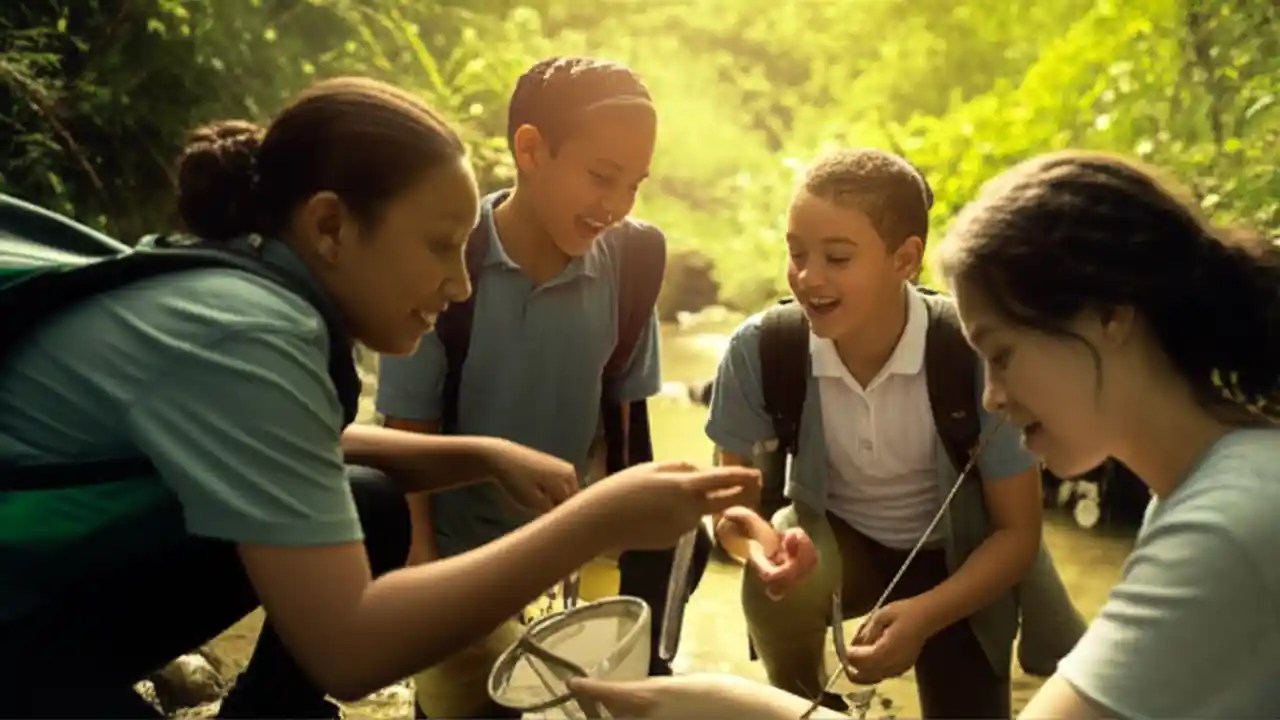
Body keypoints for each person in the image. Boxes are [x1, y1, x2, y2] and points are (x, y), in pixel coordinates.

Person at [0, 76, 758, 719]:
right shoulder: (249, 333)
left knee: (370, 500)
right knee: (366, 525)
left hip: (46, 584)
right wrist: (601, 515)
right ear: (330, 224)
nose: (460, 284)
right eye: (437, 247)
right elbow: (348, 652)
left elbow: (289, 451)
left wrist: (482, 455)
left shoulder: (240, 286)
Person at [704, 148, 1081, 718]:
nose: (809, 278)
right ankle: (804, 704)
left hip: (963, 562)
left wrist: (924, 615)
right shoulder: (763, 349)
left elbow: (1017, 534)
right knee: (782, 565)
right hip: (837, 549)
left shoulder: (975, 353)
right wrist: (757, 547)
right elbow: (728, 510)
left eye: (837, 257)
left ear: (905, 259)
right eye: (796, 253)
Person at [375, 56, 700, 717]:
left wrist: (599, 554)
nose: (615, 206)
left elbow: (623, 428)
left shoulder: (633, 262)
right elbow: (405, 433)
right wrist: (424, 569)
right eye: (601, 178)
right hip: (460, 558)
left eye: (633, 185)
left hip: (568, 549)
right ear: (530, 149)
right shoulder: (448, 260)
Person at [939, 150, 1280, 718]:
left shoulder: (1227, 522)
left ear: (1108, 316)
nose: (991, 396)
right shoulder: (1214, 483)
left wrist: (737, 703)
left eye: (1002, 354)